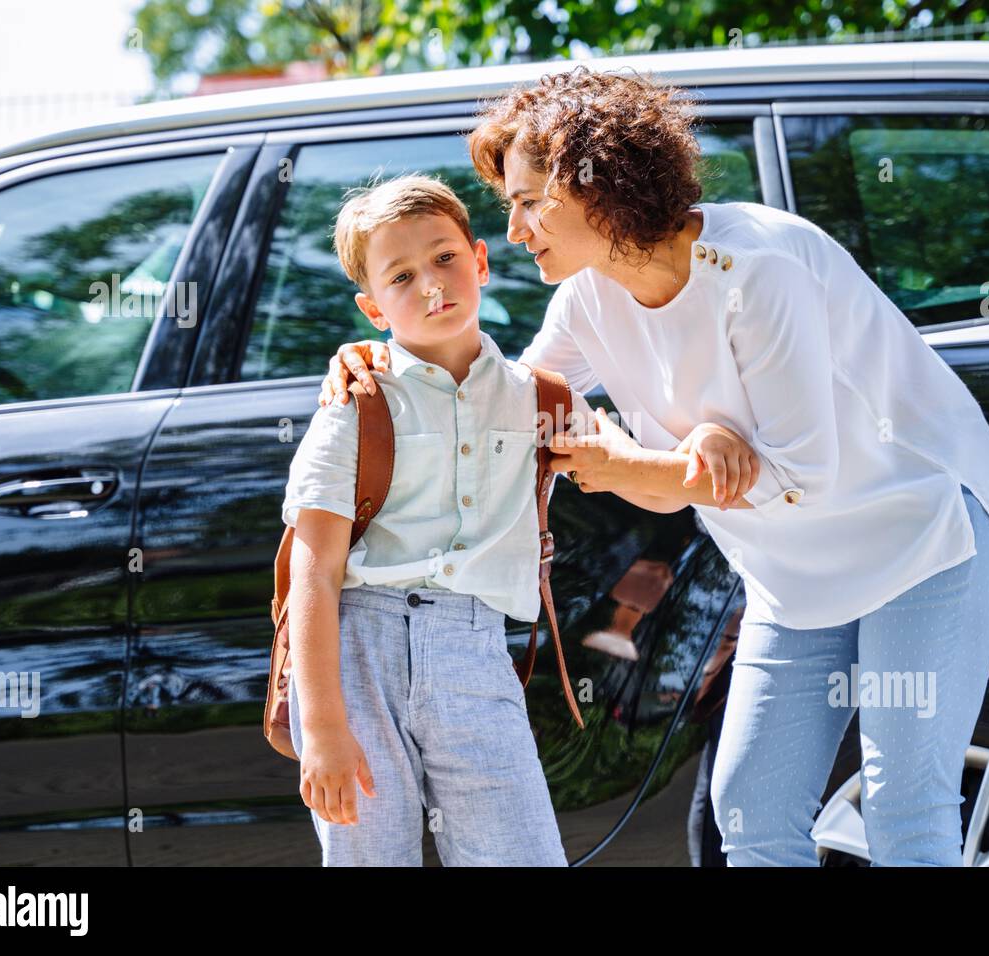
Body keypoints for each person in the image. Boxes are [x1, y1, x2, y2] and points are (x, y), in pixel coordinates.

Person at [318, 67, 989, 867]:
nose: (513, 231)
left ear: (598, 186)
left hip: (927, 531)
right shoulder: (589, 298)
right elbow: (500, 402)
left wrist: (635, 464)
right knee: (752, 814)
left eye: (527, 201)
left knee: (904, 810)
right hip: (796, 577)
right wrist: (383, 363)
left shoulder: (759, 269)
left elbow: (799, 478)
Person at [283, 172, 755, 866]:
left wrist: (707, 440)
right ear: (373, 307)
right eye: (402, 276)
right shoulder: (358, 402)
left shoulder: (541, 400)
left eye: (445, 258)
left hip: (474, 650)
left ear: (479, 259)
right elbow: (313, 573)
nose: (431, 285)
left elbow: (653, 483)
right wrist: (323, 728)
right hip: (361, 650)